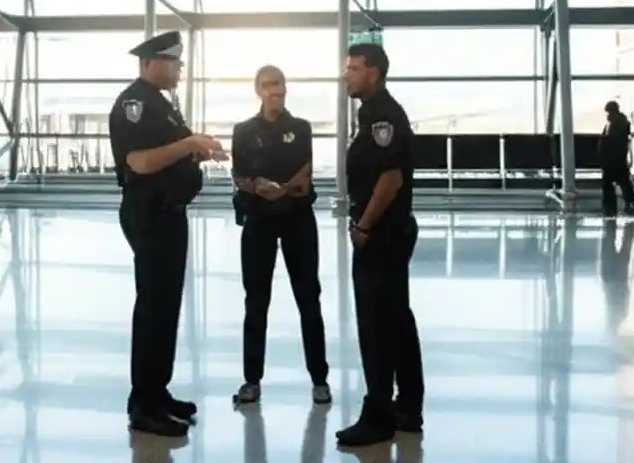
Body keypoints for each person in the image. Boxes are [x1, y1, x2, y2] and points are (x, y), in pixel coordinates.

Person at [109, 30, 227, 437]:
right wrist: (187, 144)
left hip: (169, 214)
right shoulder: (135, 105)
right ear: (149, 63)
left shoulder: (162, 105)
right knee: (153, 309)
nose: (179, 69)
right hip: (150, 214)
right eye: (173, 61)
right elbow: (140, 162)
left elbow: (174, 147)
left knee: (167, 309)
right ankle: (143, 404)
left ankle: (157, 392)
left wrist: (198, 146)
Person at [335, 42, 425, 447]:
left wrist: (365, 227)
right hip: (392, 232)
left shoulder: (382, 115)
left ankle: (379, 415)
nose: (346, 75)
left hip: (382, 235)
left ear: (373, 71)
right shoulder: (372, 113)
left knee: (376, 326)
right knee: (397, 321)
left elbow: (391, 179)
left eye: (353, 68)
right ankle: (408, 406)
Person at [230, 64, 331, 407]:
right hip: (259, 220)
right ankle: (251, 380)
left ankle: (319, 378)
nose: (276, 90)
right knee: (255, 301)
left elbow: (306, 169)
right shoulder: (243, 131)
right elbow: (239, 173)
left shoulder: (300, 128)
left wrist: (282, 189)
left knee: (308, 297)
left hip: (297, 220)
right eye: (269, 85)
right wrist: (256, 186)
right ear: (258, 90)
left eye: (280, 85)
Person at [598, 100, 634, 216]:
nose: (607, 115)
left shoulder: (617, 124)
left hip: (613, 160)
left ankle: (610, 207)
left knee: (609, 184)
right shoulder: (620, 122)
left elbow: (611, 141)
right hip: (617, 159)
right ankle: (630, 202)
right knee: (623, 182)